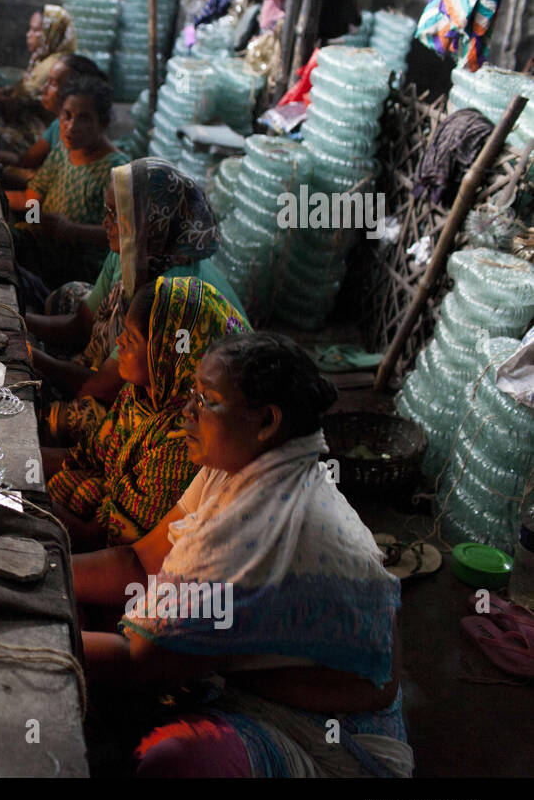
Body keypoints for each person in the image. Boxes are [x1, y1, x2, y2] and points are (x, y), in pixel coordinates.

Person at [72, 332, 412, 777]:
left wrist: (31, 634)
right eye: (193, 393)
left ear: (267, 421)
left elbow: (137, 659)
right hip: (259, 692)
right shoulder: (239, 466)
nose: (187, 411)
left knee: (172, 760)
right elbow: (141, 562)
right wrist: (46, 572)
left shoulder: (264, 525)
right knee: (93, 620)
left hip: (332, 742)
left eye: (207, 400)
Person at [28, 158, 246, 447]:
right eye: (107, 211)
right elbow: (81, 325)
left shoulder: (170, 292)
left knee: (61, 421)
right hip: (140, 361)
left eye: (116, 214)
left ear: (151, 220)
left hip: (190, 405)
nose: (105, 222)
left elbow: (106, 387)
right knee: (68, 295)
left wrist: (34, 359)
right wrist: (19, 322)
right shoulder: (132, 249)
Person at [44, 276, 249, 550]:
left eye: (131, 338)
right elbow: (88, 456)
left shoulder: (185, 439)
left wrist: (26, 502)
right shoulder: (141, 393)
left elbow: (101, 538)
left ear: (164, 353)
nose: (119, 342)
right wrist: (16, 462)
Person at [9, 74, 129, 295]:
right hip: (48, 247)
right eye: (67, 116)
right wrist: (34, 220)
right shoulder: (66, 149)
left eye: (83, 118)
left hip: (81, 269)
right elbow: (35, 194)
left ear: (103, 123)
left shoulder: (116, 171)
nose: (71, 126)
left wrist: (72, 230)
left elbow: (125, 234)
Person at [0, 53, 105, 189]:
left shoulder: (81, 138)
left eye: (53, 84)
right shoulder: (57, 126)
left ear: (73, 90)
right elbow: (25, 160)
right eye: (47, 81)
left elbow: (48, 190)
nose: (44, 89)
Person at [0, 5, 77, 154]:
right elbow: (16, 92)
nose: (29, 35)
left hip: (41, 135)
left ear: (51, 33)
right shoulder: (43, 59)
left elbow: (17, 101)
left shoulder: (54, 66)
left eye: (36, 31)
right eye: (30, 29)